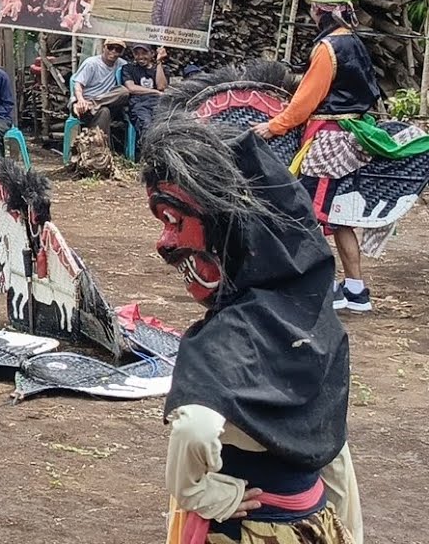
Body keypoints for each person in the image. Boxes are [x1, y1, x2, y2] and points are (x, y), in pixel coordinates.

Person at [140, 116, 362, 544]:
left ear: (232, 230)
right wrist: (347, 528)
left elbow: (194, 427)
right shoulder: (317, 323)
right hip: (314, 526)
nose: (164, 243)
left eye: (173, 219)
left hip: (250, 530)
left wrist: (195, 491)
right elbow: (332, 447)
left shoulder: (225, 339)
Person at [251, 0, 429, 313]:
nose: (312, 11)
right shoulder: (354, 42)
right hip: (350, 138)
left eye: (314, 6)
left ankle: (319, 286)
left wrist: (273, 126)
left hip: (329, 145)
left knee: (304, 212)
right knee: (339, 218)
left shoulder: (328, 48)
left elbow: (305, 101)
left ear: (323, 10)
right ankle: (356, 291)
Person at [71, 38, 130, 141]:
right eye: (110, 47)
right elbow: (78, 84)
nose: (113, 52)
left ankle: (92, 105)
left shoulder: (122, 64)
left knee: (123, 92)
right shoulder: (91, 63)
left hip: (103, 103)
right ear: (104, 47)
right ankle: (100, 147)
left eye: (118, 49)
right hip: (84, 105)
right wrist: (81, 100)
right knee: (104, 112)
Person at [120, 43, 169, 135]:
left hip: (158, 103)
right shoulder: (128, 68)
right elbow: (131, 88)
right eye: (137, 54)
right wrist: (155, 91)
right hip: (139, 104)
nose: (140, 57)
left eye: (144, 53)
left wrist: (159, 62)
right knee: (147, 125)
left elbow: (161, 87)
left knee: (165, 125)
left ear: (152, 53)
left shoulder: (161, 69)